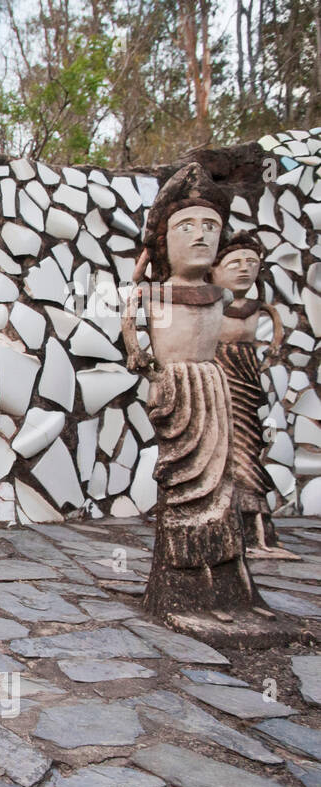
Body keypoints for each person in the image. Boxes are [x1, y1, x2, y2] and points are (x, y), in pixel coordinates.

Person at [120, 163, 271, 629]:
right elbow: (130, 322)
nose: (201, 236)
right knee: (186, 488)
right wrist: (141, 359)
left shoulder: (220, 297)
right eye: (186, 227)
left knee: (221, 488)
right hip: (178, 389)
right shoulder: (155, 296)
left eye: (211, 227)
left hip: (214, 388)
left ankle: (224, 577)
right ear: (165, 240)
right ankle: (185, 582)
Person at [210, 231, 293, 558]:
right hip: (219, 374)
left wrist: (273, 351)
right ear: (214, 270)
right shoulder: (211, 303)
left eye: (252, 263)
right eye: (234, 263)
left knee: (247, 438)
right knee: (224, 438)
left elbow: (275, 333)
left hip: (246, 377)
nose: (244, 269)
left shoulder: (261, 309)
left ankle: (256, 523)